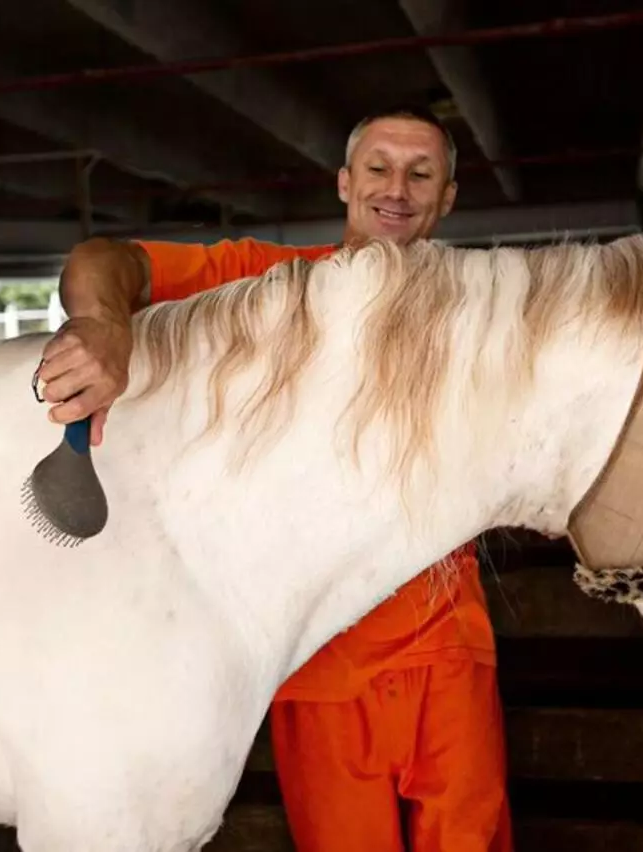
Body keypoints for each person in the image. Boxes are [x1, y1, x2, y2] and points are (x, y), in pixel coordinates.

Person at [35, 104, 512, 852]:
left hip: (447, 647)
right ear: (345, 183)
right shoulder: (266, 279)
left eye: (423, 174)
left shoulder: (486, 310)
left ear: (447, 197)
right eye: (379, 167)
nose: (398, 188)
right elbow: (104, 259)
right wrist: (103, 326)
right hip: (315, 652)